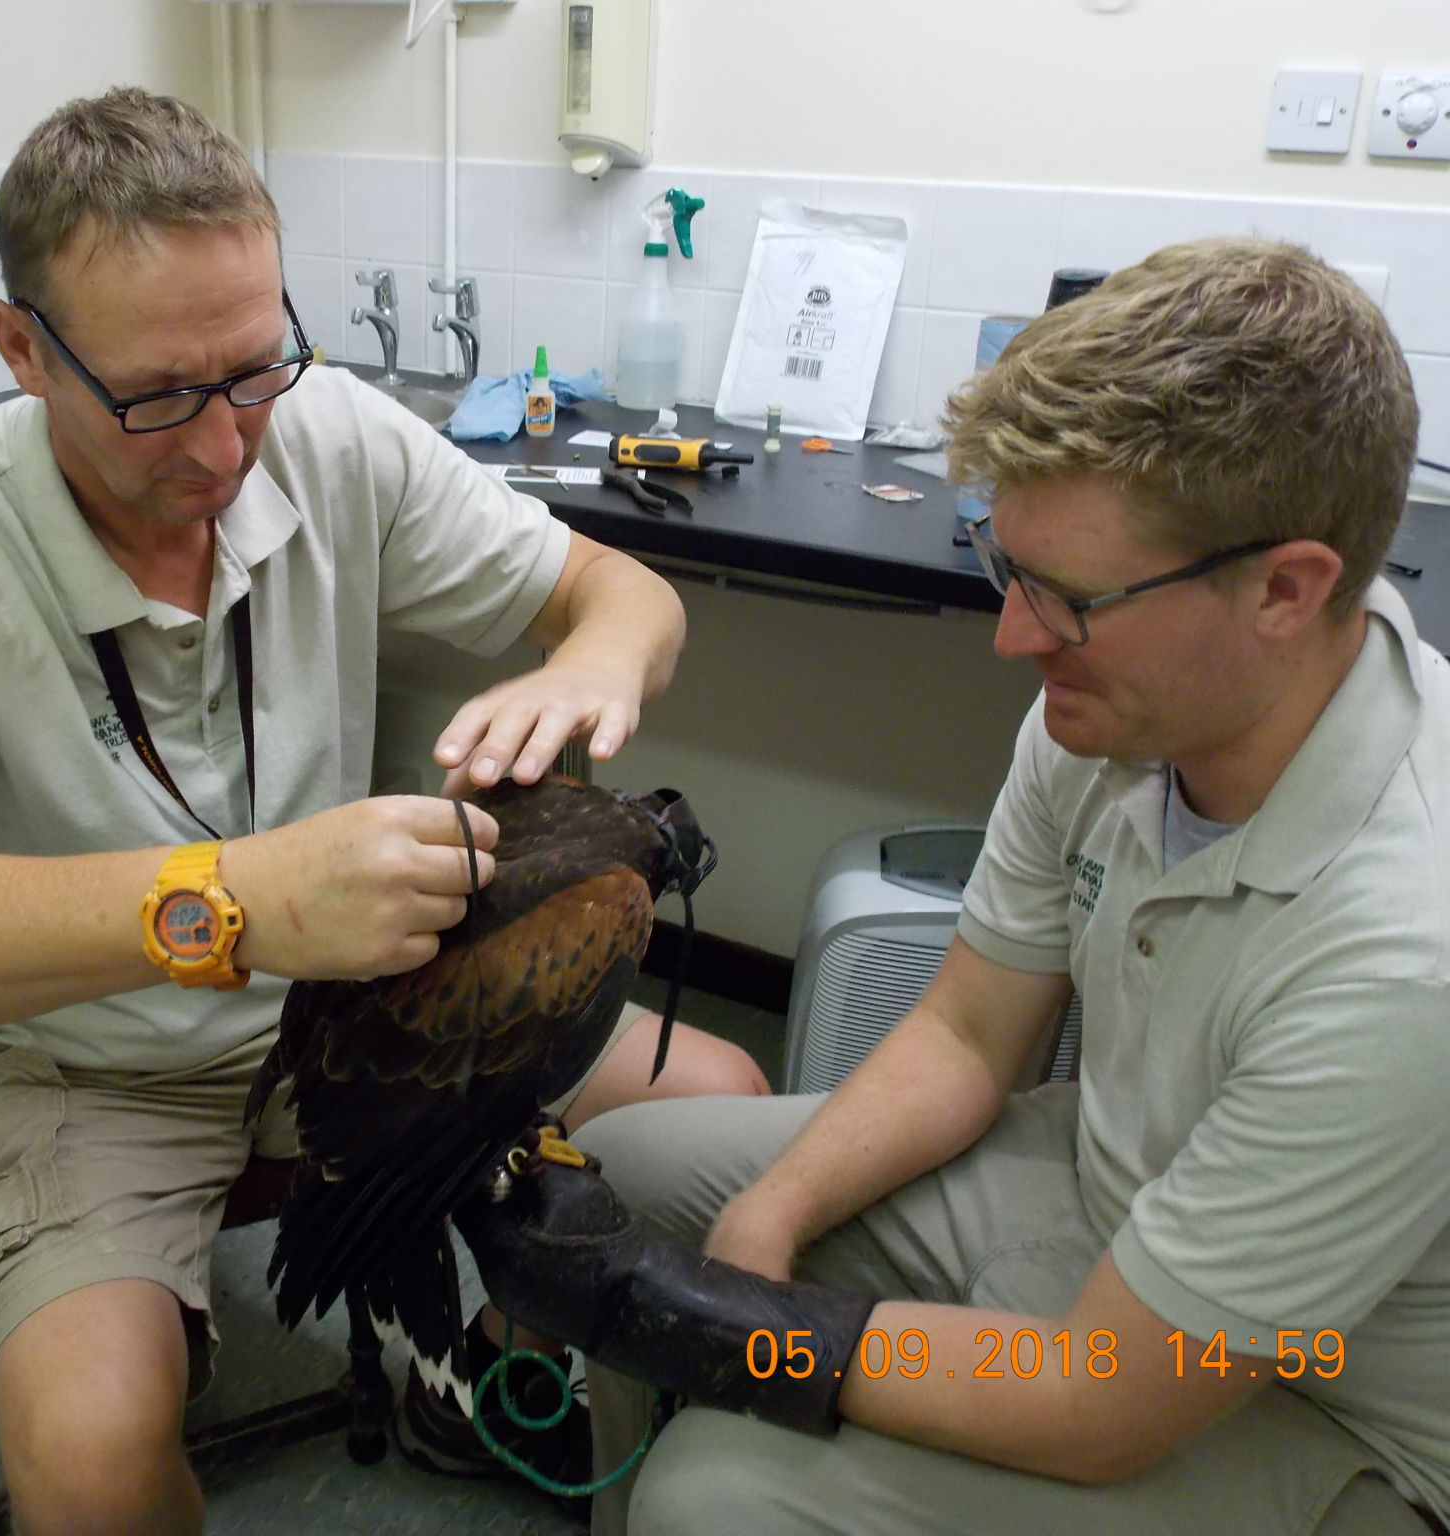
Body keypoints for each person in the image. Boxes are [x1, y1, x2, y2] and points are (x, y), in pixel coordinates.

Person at [0, 88, 766, 1536]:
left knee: (718, 1110)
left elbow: (624, 592)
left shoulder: (330, 433)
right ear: (20, 350)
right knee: (96, 1463)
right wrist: (232, 904)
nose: (225, 446)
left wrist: (592, 665)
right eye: (157, 394)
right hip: (79, 1060)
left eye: (253, 368)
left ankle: (478, 1385)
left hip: (350, 1007)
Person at [578, 237, 1450, 1536]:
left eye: (1068, 597)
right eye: (1008, 563)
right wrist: (770, 1216)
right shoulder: (1118, 711)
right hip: (1101, 1189)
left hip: (1327, 1392)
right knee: (617, 1176)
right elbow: (969, 1033)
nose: (1013, 636)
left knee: (714, 1496)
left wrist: (752, 1338)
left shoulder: (1407, 951)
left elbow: (1106, 1405)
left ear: (1286, 589)